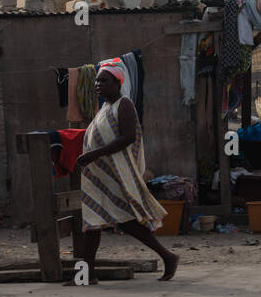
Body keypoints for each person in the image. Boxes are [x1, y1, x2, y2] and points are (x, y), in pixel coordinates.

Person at [71, 63, 181, 284]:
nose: (98, 84)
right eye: (97, 81)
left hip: (116, 173)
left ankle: (168, 257)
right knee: (92, 221)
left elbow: (128, 137)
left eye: (104, 80)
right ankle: (87, 275)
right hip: (99, 176)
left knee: (124, 220)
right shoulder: (104, 108)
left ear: (117, 82)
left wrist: (94, 155)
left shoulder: (124, 105)